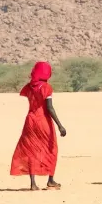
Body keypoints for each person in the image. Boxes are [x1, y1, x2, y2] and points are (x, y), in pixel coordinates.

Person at [10, 61, 66, 191]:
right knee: (51, 148)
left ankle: (33, 184)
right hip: (43, 121)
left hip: (30, 120)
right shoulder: (46, 87)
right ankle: (50, 180)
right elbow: (50, 108)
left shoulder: (29, 87)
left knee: (31, 150)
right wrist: (60, 125)